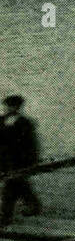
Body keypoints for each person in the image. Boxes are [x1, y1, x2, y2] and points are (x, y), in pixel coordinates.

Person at [0, 95, 41, 225]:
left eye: (12, 106)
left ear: (18, 107)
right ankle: (33, 204)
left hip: (19, 160)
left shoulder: (25, 123)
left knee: (10, 187)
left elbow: (31, 144)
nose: (8, 108)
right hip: (4, 160)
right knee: (20, 184)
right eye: (7, 105)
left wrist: (32, 161)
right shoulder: (1, 120)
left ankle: (6, 217)